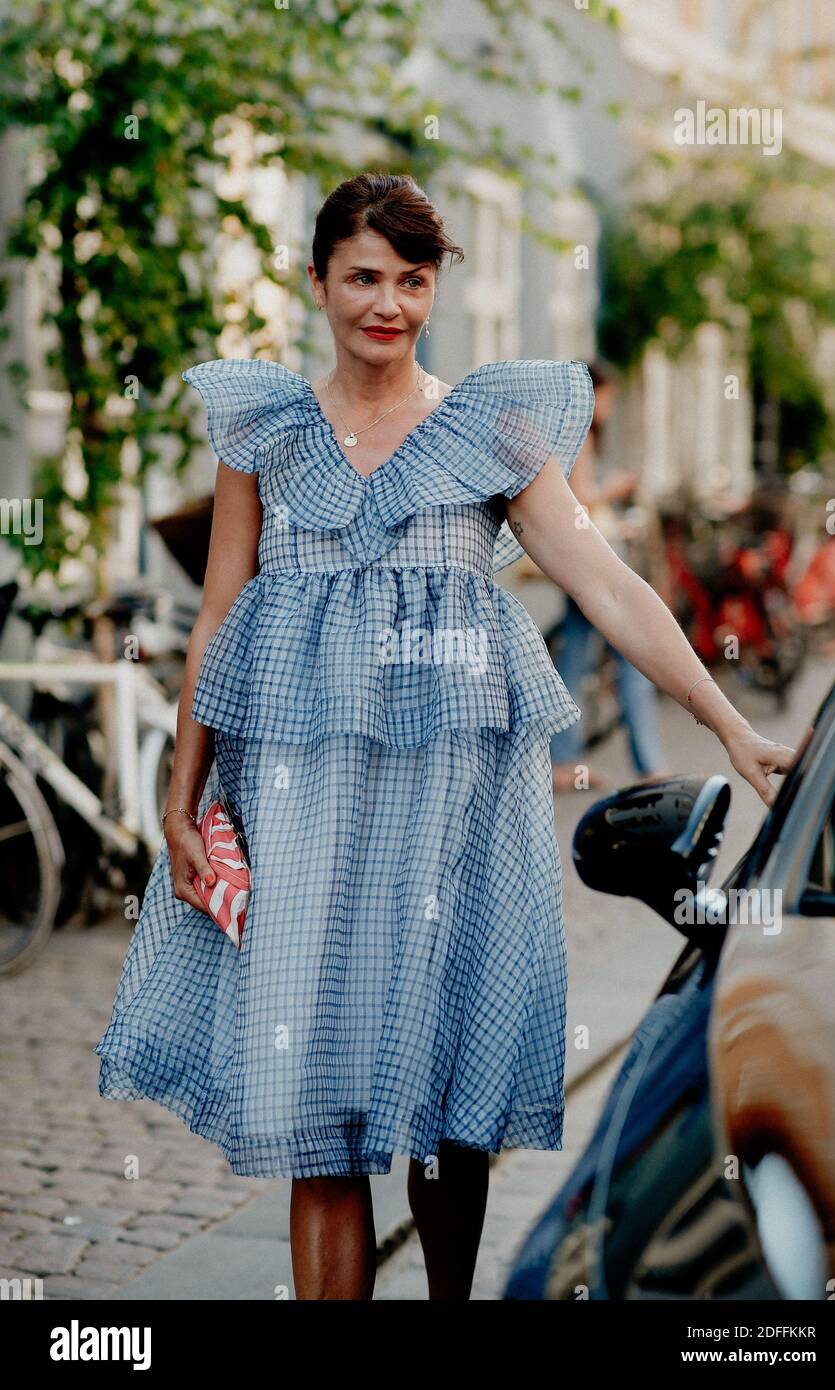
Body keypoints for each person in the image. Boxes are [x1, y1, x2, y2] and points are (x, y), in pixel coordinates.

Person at [94, 172, 796, 1301]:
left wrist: (727, 728)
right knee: (314, 1103)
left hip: (453, 800)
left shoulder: (491, 428)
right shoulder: (264, 432)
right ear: (316, 279)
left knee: (444, 1101)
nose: (387, 303)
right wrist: (182, 801)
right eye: (363, 277)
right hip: (296, 798)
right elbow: (218, 616)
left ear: (436, 288)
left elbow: (608, 588)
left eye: (412, 281)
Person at [549, 362, 668, 793]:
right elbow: (580, 499)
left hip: (581, 558)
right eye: (609, 398)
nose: (611, 408)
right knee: (632, 657)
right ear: (591, 393)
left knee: (574, 661)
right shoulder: (579, 432)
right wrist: (615, 489)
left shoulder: (574, 431)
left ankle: (564, 762)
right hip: (594, 563)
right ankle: (649, 766)